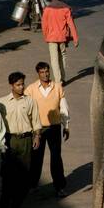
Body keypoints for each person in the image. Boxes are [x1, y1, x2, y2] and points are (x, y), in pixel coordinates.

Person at [0, 72, 41, 208]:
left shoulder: (30, 101)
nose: (21, 87)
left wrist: (37, 136)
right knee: (7, 174)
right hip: (9, 140)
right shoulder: (1, 103)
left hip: (25, 140)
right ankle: (3, 205)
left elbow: (36, 121)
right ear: (11, 85)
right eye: (18, 85)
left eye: (23, 84)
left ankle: (16, 207)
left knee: (23, 175)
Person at [27, 61, 69, 197]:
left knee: (56, 158)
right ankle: (32, 184)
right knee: (36, 158)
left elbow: (63, 108)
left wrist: (66, 126)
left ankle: (60, 187)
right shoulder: (31, 89)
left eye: (46, 71)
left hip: (54, 127)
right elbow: (27, 109)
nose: (45, 74)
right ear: (38, 73)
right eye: (42, 72)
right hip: (38, 130)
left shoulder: (57, 87)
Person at [40, 0, 79, 85]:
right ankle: (63, 77)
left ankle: (58, 80)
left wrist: (46, 36)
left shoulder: (47, 9)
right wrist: (75, 38)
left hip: (51, 38)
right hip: (62, 38)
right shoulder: (66, 8)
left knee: (54, 59)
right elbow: (71, 24)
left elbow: (44, 25)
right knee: (63, 56)